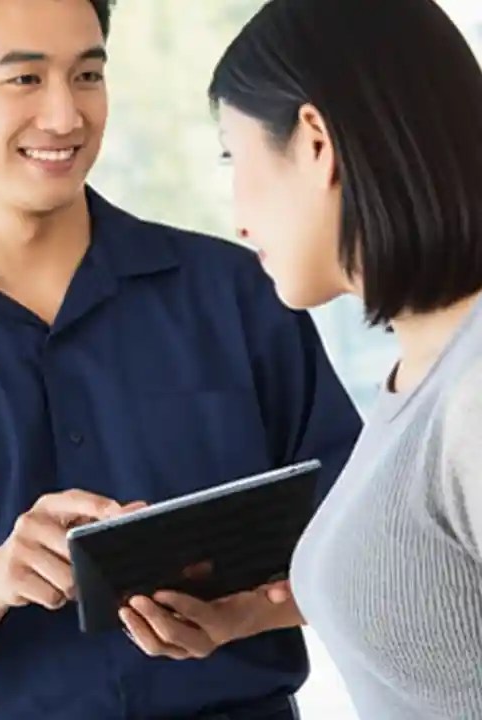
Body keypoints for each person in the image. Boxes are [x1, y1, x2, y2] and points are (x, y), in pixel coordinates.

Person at [0, 0, 362, 717]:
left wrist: (238, 616)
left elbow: (360, 547)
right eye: (25, 79)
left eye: (87, 75)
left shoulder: (239, 295)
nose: (65, 117)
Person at [199, 0, 482, 717]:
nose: (237, 218)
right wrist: (254, 611)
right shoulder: (420, 373)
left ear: (315, 142)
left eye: (235, 156)